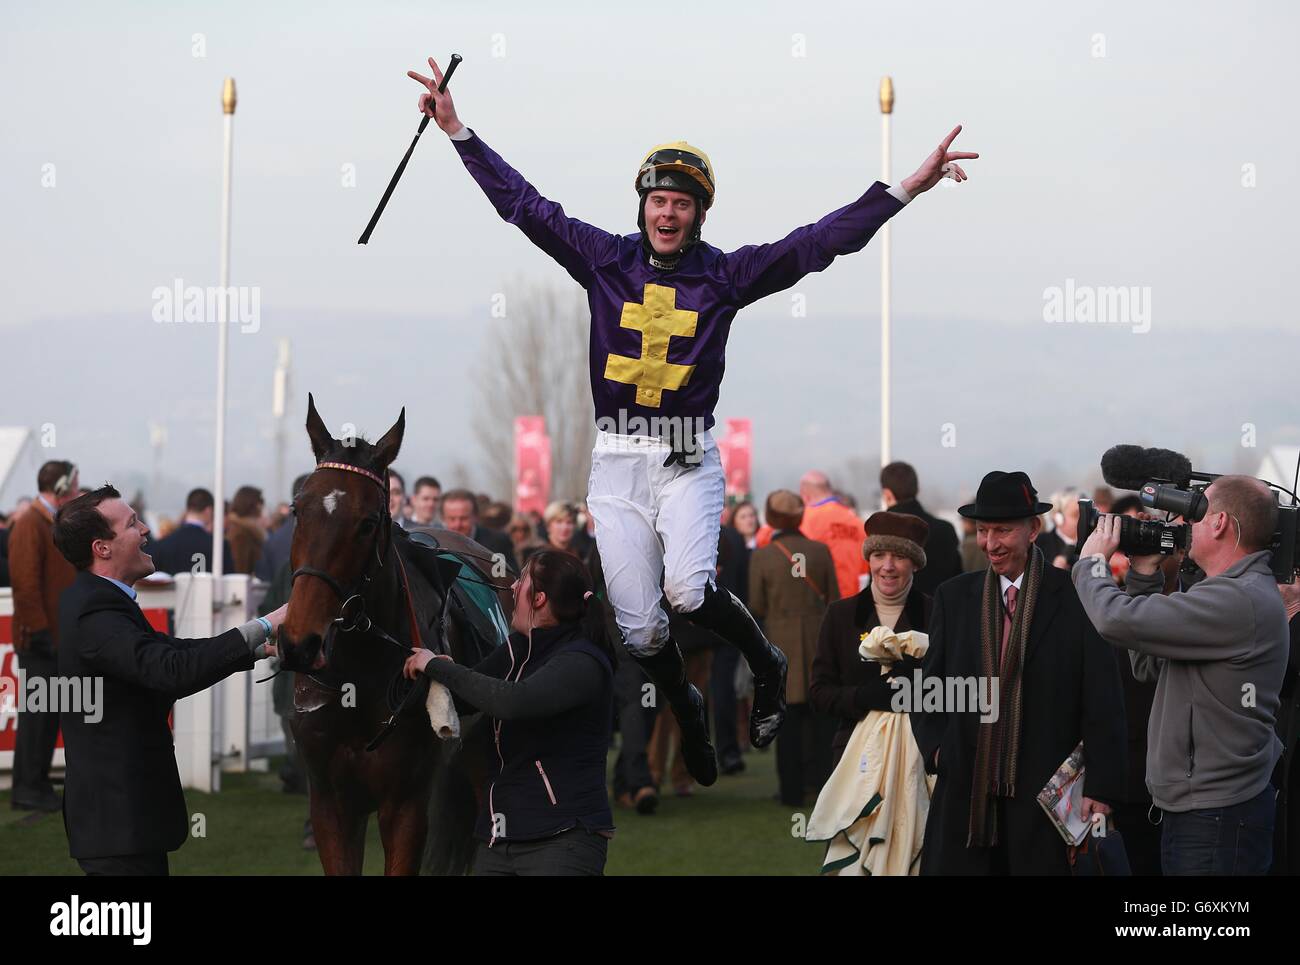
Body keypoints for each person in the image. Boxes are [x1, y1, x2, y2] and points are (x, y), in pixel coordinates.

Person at [406, 55, 977, 787]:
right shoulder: (601, 258)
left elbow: (816, 244)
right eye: (657, 201)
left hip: (685, 458)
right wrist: (458, 132)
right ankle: (685, 696)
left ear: (698, 213)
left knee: (686, 592)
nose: (666, 213)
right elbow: (524, 205)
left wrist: (906, 188)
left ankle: (767, 662)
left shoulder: (727, 275)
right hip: (614, 463)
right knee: (640, 629)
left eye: (681, 203)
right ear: (641, 206)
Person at [53, 485, 287, 875]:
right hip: (116, 826)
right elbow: (169, 670)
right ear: (102, 548)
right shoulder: (94, 610)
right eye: (132, 524)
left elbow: (173, 651)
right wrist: (265, 624)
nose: (145, 529)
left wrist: (261, 648)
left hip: (125, 824)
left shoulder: (98, 599)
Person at [911, 470, 1126, 875]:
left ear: (1033, 529)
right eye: (982, 530)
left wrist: (1100, 787)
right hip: (966, 796)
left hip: (1043, 798)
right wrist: (939, 750)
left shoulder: (1077, 597)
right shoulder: (954, 598)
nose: (990, 543)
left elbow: (1103, 699)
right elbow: (929, 689)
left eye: (1002, 530)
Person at [1073, 475, 1289, 875]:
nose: (1183, 526)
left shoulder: (1237, 600)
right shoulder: (1227, 592)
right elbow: (1146, 663)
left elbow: (1112, 619)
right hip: (1204, 811)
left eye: (1195, 513)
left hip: (1217, 817)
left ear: (1220, 523)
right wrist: (1142, 574)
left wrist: (1091, 563)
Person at [405, 550, 615, 875]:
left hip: (562, 838)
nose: (513, 587)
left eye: (523, 581)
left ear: (540, 599)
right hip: (499, 837)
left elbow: (512, 702)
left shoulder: (582, 660)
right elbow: (463, 698)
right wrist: (427, 670)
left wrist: (440, 668)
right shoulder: (518, 649)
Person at [810, 511, 933, 766]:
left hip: (918, 754)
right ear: (868, 559)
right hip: (855, 753)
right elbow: (819, 692)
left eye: (899, 557)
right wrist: (861, 696)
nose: (887, 566)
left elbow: (957, 689)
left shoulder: (936, 614)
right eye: (879, 556)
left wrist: (919, 689)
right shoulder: (840, 614)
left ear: (915, 563)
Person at [749, 490, 839, 806]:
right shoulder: (820, 551)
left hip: (779, 644)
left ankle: (790, 791)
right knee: (820, 722)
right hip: (818, 641)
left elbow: (756, 605)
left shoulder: (762, 556)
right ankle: (823, 787)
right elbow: (834, 598)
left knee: (785, 723)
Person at [7, 460, 79, 811]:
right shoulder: (30, 525)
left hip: (49, 637)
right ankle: (27, 788)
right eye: (75, 486)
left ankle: (33, 784)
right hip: (40, 639)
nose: (79, 493)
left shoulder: (43, 523)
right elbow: (25, 584)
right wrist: (38, 632)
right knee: (38, 717)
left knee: (46, 715)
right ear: (62, 487)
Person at [881, 461, 962, 595]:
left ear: (887, 494)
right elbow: (958, 582)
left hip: (898, 613)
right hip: (942, 613)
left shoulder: (882, 531)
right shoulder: (945, 530)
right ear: (917, 490)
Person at [799, 471, 868, 599]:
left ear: (805, 495)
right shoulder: (858, 523)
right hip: (854, 601)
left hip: (822, 601)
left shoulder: (806, 520)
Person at [147, 487, 236, 577]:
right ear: (208, 511)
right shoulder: (219, 546)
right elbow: (229, 580)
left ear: (188, 509)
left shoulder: (162, 545)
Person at [440, 487, 518, 574]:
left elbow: (506, 580)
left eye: (464, 518)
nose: (458, 524)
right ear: (443, 519)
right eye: (452, 519)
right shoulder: (435, 545)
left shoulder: (497, 542)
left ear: (475, 517)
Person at [1036, 487, 1082, 569]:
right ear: (1058, 518)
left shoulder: (1096, 543)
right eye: (1076, 515)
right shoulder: (1038, 545)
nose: (1083, 519)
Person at [225, 485, 265, 574]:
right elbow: (240, 571)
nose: (262, 506)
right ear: (251, 504)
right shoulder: (240, 534)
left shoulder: (247, 530)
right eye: (260, 501)